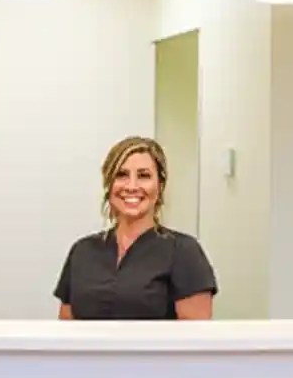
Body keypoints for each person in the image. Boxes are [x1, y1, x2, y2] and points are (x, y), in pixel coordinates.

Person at [54, 136, 217, 320]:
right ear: (109, 184)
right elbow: (65, 334)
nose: (132, 186)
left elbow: (196, 341)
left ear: (160, 185)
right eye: (121, 175)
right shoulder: (82, 252)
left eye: (144, 176)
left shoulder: (183, 252)